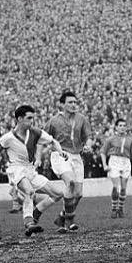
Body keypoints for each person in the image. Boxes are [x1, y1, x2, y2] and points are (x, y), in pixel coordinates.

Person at [0, 104, 65, 236]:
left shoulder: (36, 132)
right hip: (16, 169)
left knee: (58, 193)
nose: (32, 121)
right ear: (19, 119)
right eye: (29, 118)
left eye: (33, 118)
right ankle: (29, 223)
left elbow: (53, 141)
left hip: (30, 170)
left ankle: (36, 212)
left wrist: (61, 152)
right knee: (29, 191)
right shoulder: (8, 138)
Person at [44, 90, 94, 233]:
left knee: (78, 194)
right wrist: (40, 155)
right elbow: (43, 138)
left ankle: (62, 217)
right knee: (70, 182)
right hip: (60, 155)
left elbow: (88, 137)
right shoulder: (53, 121)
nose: (73, 105)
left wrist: (88, 145)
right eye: (70, 102)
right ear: (62, 104)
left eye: (75, 102)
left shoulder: (82, 119)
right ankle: (70, 220)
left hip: (76, 156)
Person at [100, 118, 132, 218]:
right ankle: (114, 208)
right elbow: (103, 152)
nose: (122, 127)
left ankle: (120, 209)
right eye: (120, 125)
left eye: (124, 126)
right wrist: (104, 165)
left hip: (126, 162)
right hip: (114, 161)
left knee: (123, 188)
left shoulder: (130, 140)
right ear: (116, 127)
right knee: (116, 187)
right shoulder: (111, 139)